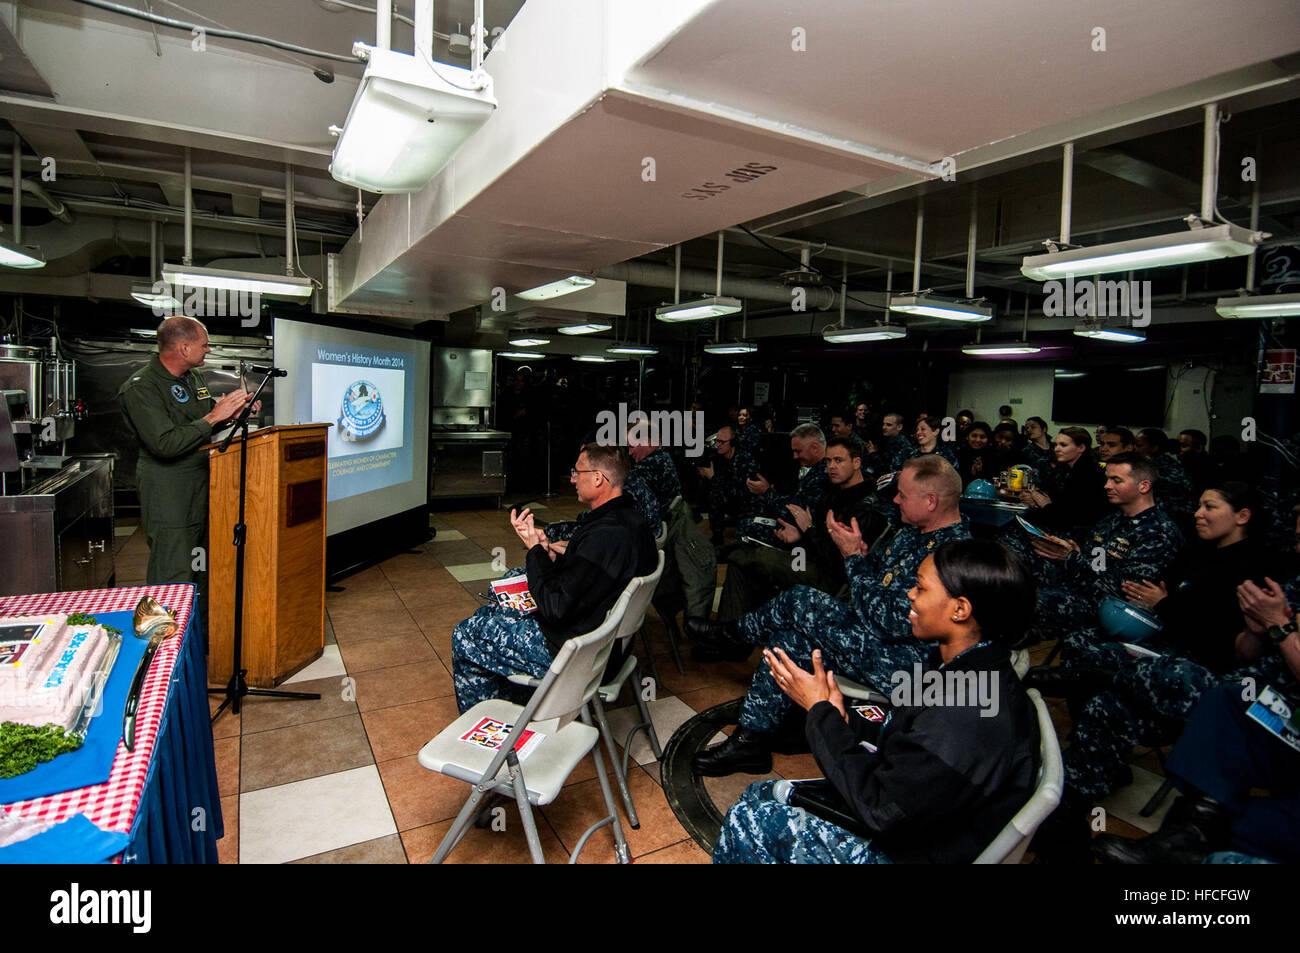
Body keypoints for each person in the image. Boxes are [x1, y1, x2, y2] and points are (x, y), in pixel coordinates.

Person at [712, 538, 1040, 864]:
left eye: (921, 588)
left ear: (960, 609)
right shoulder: (969, 668)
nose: (910, 595)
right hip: (918, 820)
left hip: (906, 849)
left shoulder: (966, 713)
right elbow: (908, 746)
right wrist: (842, 718)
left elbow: (882, 809)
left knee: (747, 816)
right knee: (757, 793)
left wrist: (819, 711)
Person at [1026, 490, 1295, 862]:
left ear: (1243, 515)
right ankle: (1063, 815)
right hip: (1189, 664)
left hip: (1230, 690)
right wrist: (1255, 631)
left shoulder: (1262, 566)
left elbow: (1216, 643)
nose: (1197, 514)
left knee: (1197, 681)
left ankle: (1100, 675)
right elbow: (1232, 640)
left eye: (1210, 507)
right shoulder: (1200, 555)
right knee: (1110, 707)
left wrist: (1274, 627)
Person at [688, 456, 971, 776]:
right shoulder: (911, 533)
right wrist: (859, 556)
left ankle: (734, 635)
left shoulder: (953, 555)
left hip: (908, 665)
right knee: (788, 640)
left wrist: (853, 558)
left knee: (800, 600)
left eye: (903, 495)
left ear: (931, 501)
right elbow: (874, 587)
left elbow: (889, 620)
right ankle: (751, 740)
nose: (894, 499)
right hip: (874, 636)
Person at [450, 443, 657, 712]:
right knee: (491, 608)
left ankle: (493, 731)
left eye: (577, 472)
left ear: (597, 478)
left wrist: (535, 550)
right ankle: (517, 706)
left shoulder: (605, 534)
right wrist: (551, 555)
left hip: (578, 653)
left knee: (466, 634)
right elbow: (589, 575)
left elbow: (555, 607)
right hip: (606, 645)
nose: (572, 479)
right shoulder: (630, 520)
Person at [118, 316, 252, 619]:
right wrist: (214, 417)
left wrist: (232, 413)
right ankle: (168, 651)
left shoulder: (193, 378)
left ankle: (199, 642)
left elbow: (201, 422)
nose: (208, 350)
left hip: (201, 487)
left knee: (200, 567)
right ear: (183, 347)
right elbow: (165, 444)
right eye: (204, 345)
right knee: (174, 571)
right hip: (170, 494)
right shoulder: (142, 388)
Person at [710, 435, 886, 628]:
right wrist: (799, 536)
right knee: (742, 565)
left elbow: (837, 562)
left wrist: (807, 530)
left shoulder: (866, 507)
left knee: (763, 557)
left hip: (829, 577)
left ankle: (729, 553)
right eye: (828, 461)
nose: (831, 466)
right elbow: (818, 540)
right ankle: (730, 633)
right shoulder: (836, 494)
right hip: (807, 559)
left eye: (838, 460)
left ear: (856, 462)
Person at [1022, 453, 1183, 653]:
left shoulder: (1158, 531)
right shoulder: (1110, 522)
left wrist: (1072, 559)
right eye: (1107, 479)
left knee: (1029, 604)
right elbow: (1096, 563)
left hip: (1111, 610)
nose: (1107, 486)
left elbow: (1124, 590)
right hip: (1084, 591)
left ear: (1144, 486)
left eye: (1116, 480)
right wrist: (1074, 554)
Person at [1016, 426, 1107, 543]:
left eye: (1063, 445)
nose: (1057, 449)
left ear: (1081, 448)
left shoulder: (1087, 473)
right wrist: (1035, 499)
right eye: (1056, 444)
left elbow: (1066, 518)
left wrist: (1045, 506)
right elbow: (1056, 498)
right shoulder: (1066, 468)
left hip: (1078, 535)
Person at [742, 423, 831, 543]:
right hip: (801, 529)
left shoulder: (825, 474)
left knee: (748, 526)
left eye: (798, 451)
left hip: (807, 537)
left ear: (815, 447)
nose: (795, 456)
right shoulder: (816, 470)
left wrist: (767, 492)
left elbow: (798, 513)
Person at [697, 425, 759, 546]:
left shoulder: (745, 460)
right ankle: (717, 536)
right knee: (714, 496)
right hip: (729, 498)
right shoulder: (717, 458)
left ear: (733, 443)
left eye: (722, 442)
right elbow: (716, 488)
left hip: (747, 503)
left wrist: (713, 478)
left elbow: (740, 492)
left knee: (743, 543)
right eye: (717, 441)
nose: (718, 445)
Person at [864, 411, 911, 479]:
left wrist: (873, 453)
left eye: (888, 425)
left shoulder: (900, 443)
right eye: (883, 424)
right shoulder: (891, 440)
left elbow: (887, 468)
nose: (884, 427)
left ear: (899, 427)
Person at [957, 420, 996, 485]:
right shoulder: (959, 455)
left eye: (982, 437)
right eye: (974, 436)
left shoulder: (993, 457)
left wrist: (980, 472)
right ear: (967, 436)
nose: (978, 440)